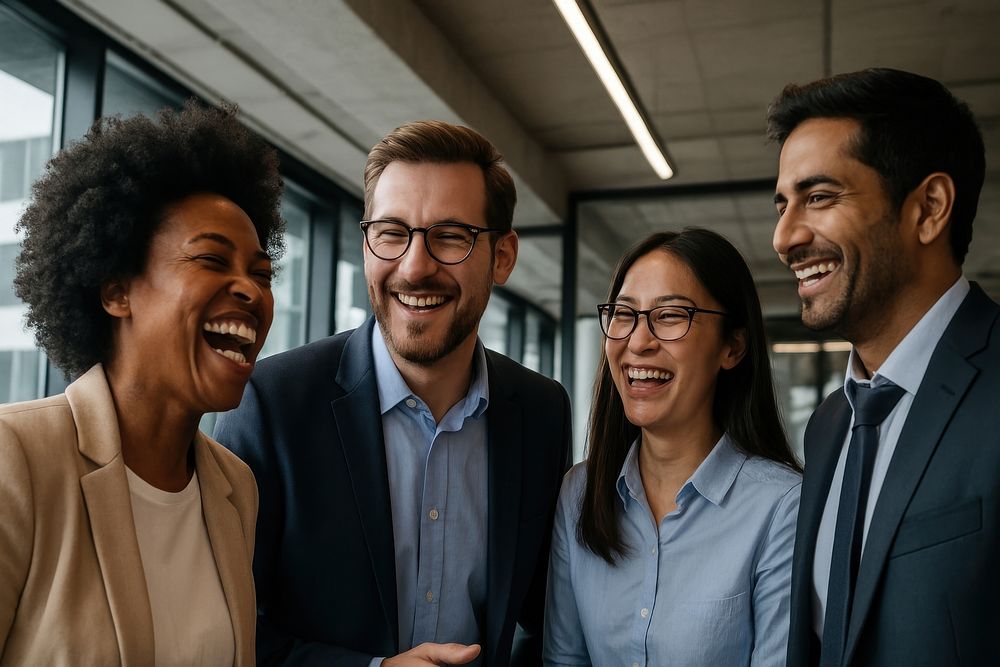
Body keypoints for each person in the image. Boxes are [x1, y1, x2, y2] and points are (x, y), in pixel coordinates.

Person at [215, 119, 572, 666]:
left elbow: (543, 613)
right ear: (366, 245)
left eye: (450, 236)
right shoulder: (272, 403)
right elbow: (227, 629)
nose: (415, 266)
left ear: (502, 256)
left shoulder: (541, 412)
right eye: (391, 233)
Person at [0, 102, 285, 665]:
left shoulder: (236, 489)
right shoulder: (18, 457)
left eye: (259, 273)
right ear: (116, 292)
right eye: (211, 259)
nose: (250, 291)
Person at [769, 67, 999, 666]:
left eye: (818, 197)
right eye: (783, 203)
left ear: (928, 208)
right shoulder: (829, 425)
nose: (784, 236)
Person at [543, 228, 802, 666]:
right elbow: (564, 659)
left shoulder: (781, 507)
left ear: (732, 347)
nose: (638, 342)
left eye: (669, 316)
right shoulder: (581, 493)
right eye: (624, 314)